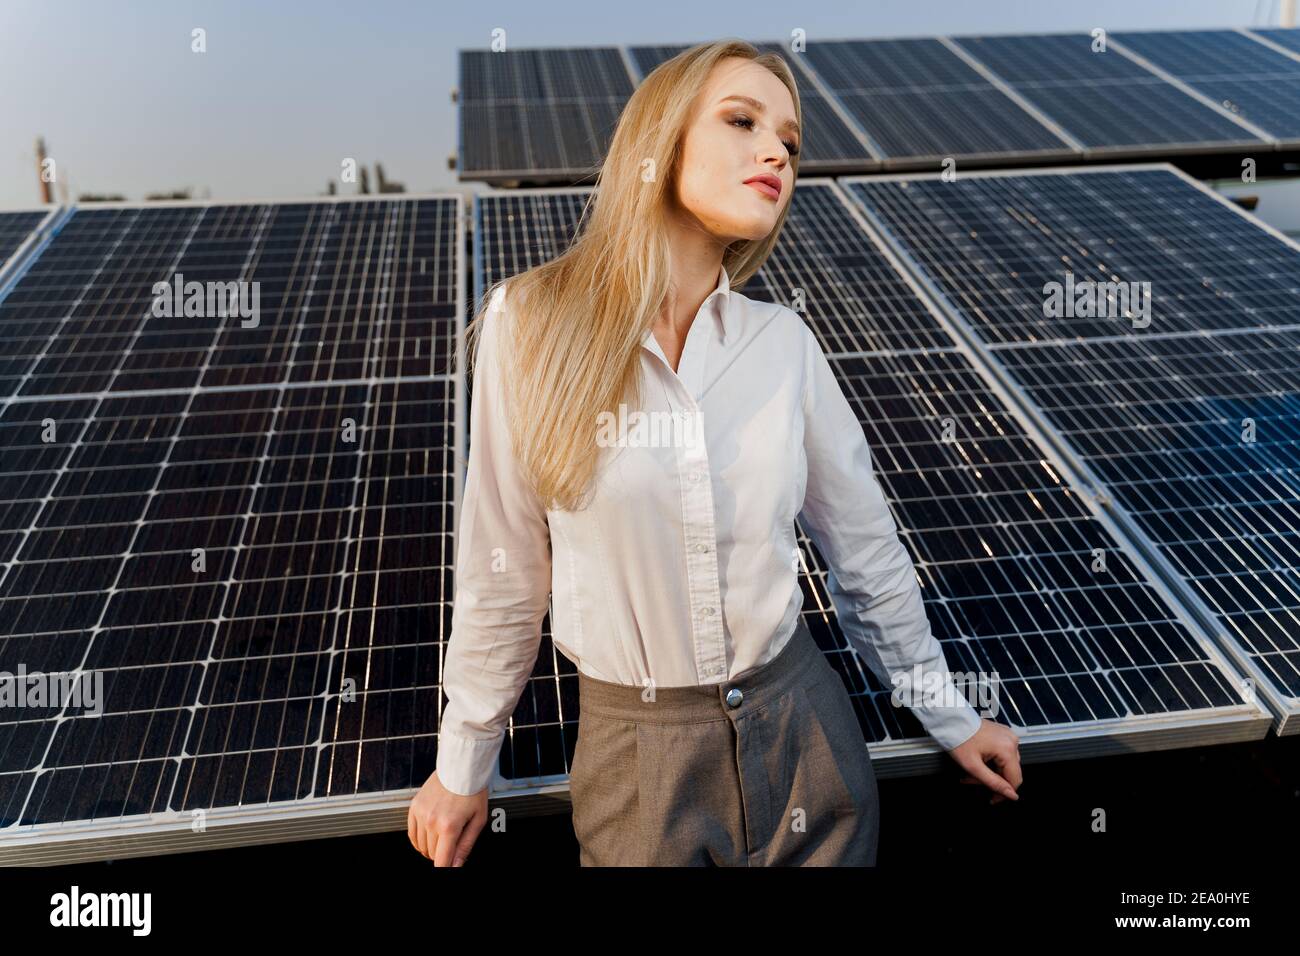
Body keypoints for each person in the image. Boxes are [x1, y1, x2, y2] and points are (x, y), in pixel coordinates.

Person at [408, 38, 1021, 867]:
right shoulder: (529, 325)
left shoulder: (785, 345)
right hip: (639, 763)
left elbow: (867, 555)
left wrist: (948, 712)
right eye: (742, 120)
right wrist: (463, 761)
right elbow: (504, 568)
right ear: (660, 141)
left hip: (809, 739)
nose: (777, 151)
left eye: (791, 143)